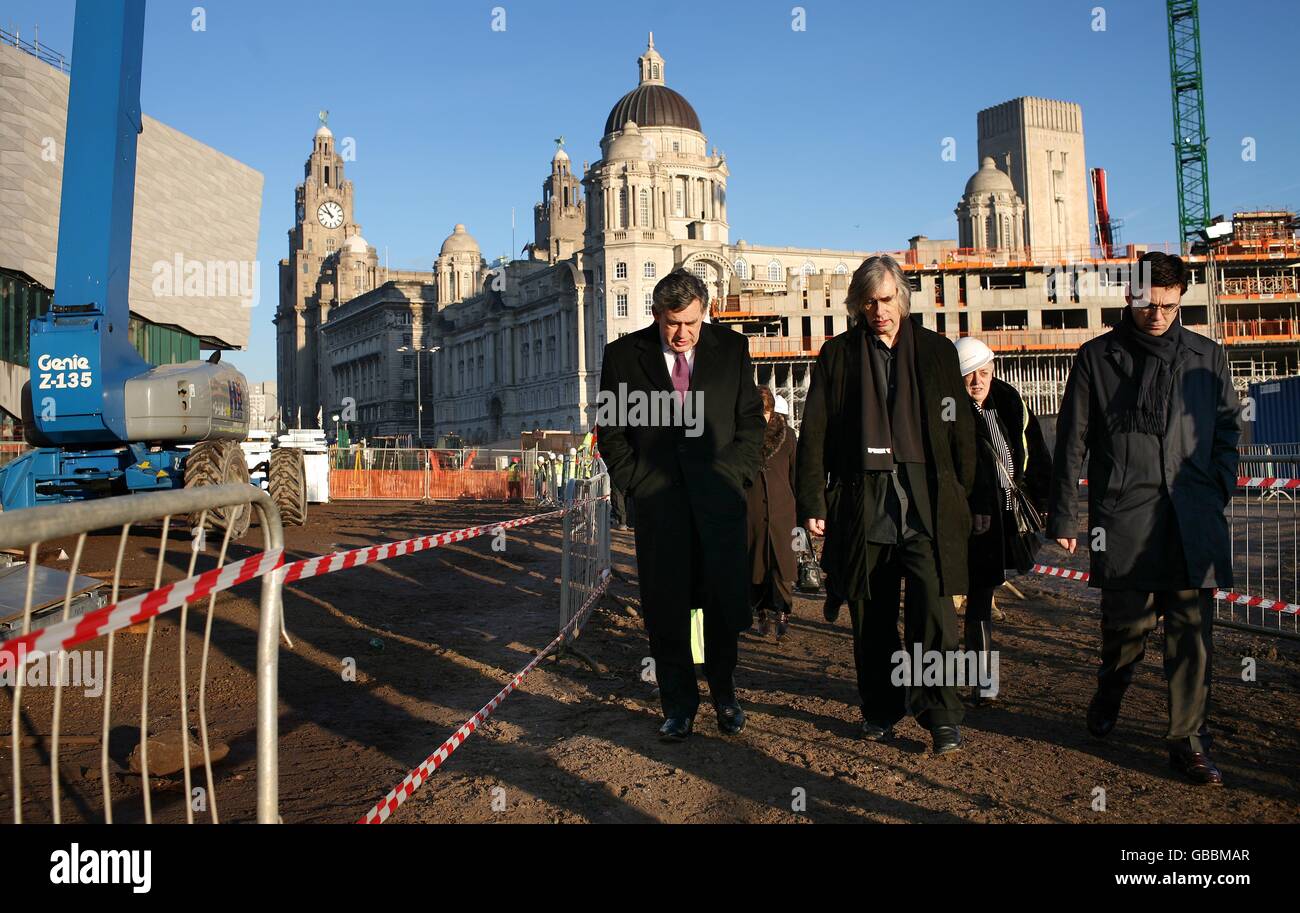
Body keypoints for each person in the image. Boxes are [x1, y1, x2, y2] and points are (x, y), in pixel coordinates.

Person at [1047, 251, 1240, 785]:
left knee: (1191, 633)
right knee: (1127, 628)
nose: (1158, 314)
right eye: (1148, 303)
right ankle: (1112, 685)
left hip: (1191, 516)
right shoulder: (1096, 359)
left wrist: (1216, 489)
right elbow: (1071, 444)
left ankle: (1188, 740)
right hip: (1124, 516)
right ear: (1129, 296)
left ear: (1181, 301)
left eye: (1169, 306)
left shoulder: (1206, 358)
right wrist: (1064, 517)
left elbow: (1228, 432)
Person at [796, 254, 976, 755]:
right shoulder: (837, 356)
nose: (880, 311)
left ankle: (941, 713)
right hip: (863, 500)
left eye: (888, 299)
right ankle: (880, 707)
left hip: (927, 502)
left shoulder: (939, 354)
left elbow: (961, 430)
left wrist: (965, 495)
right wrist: (814, 500)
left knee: (935, 614)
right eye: (870, 302)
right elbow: (815, 435)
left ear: (903, 298)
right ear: (858, 305)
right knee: (870, 616)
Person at [597, 268, 765, 742]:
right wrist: (638, 484)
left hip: (719, 504)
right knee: (666, 608)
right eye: (673, 323)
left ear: (704, 312)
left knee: (720, 603)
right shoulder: (624, 356)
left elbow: (750, 423)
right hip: (660, 508)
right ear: (656, 315)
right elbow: (611, 431)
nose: (683, 333)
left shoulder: (731, 350)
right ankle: (678, 705)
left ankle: (725, 694)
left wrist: (733, 477)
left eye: (692, 322)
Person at [953, 337, 1051, 703]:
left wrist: (1046, 502)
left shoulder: (1010, 402)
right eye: (969, 376)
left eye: (984, 373)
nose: (978, 382)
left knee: (980, 599)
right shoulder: (948, 410)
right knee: (955, 599)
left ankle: (983, 683)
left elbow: (1036, 452)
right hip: (963, 523)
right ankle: (952, 680)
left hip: (1001, 519)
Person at [746, 388, 798, 641]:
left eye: (765, 412)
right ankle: (761, 612)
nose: (763, 418)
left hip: (782, 509)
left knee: (783, 565)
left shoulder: (787, 436)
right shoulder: (743, 436)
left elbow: (796, 473)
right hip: (752, 510)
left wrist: (806, 511)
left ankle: (783, 613)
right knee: (755, 565)